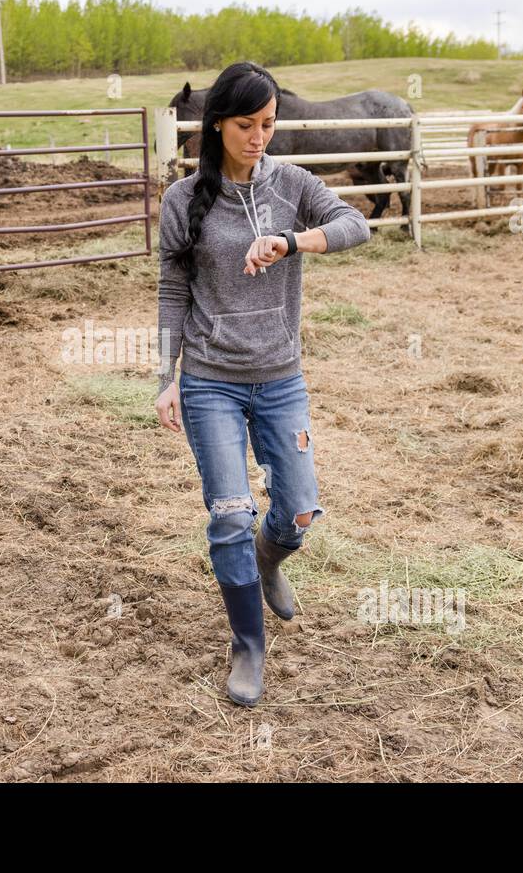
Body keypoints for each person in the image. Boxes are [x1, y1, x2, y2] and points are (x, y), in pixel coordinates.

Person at [155, 61, 371, 706]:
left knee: (298, 510)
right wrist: (166, 376)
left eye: (269, 124)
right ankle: (248, 646)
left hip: (280, 378)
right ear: (217, 123)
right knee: (228, 514)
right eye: (246, 124)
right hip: (210, 382)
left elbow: (357, 224)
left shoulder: (293, 184)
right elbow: (172, 290)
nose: (258, 137)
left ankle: (271, 558)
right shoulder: (181, 201)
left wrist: (291, 241)